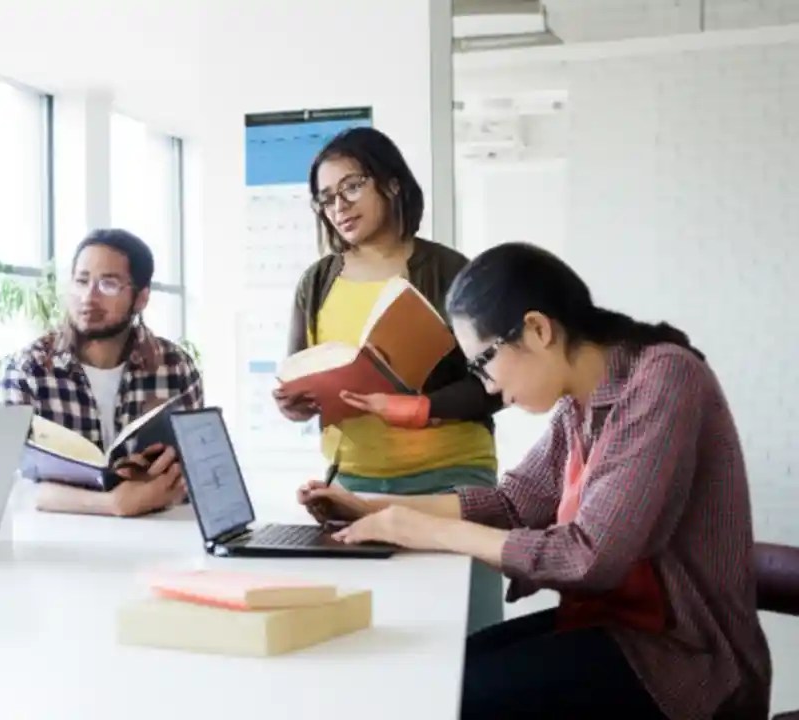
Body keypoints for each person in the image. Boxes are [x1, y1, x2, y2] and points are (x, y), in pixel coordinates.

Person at [300, 242, 772, 719]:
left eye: (483, 362)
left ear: (538, 329)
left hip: (684, 658)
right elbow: (512, 504)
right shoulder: (578, 404)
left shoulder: (664, 379)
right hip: (613, 627)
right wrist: (369, 508)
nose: (484, 386)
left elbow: (591, 559)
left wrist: (428, 530)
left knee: (445, 700)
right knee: (432, 675)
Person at [274, 126, 503, 630]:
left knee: (466, 640)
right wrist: (293, 404)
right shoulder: (317, 281)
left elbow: (500, 382)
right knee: (378, 635)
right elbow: (297, 372)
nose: (339, 205)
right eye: (326, 197)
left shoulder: (448, 271)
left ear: (392, 184)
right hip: (353, 483)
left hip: (451, 480)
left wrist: (423, 407)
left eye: (352, 186)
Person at [0, 229, 203, 517]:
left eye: (108, 284)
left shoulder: (175, 367)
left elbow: (198, 475)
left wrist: (166, 475)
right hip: (62, 548)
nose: (88, 297)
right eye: (81, 281)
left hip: (160, 535)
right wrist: (114, 503)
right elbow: (7, 483)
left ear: (141, 298)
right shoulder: (28, 371)